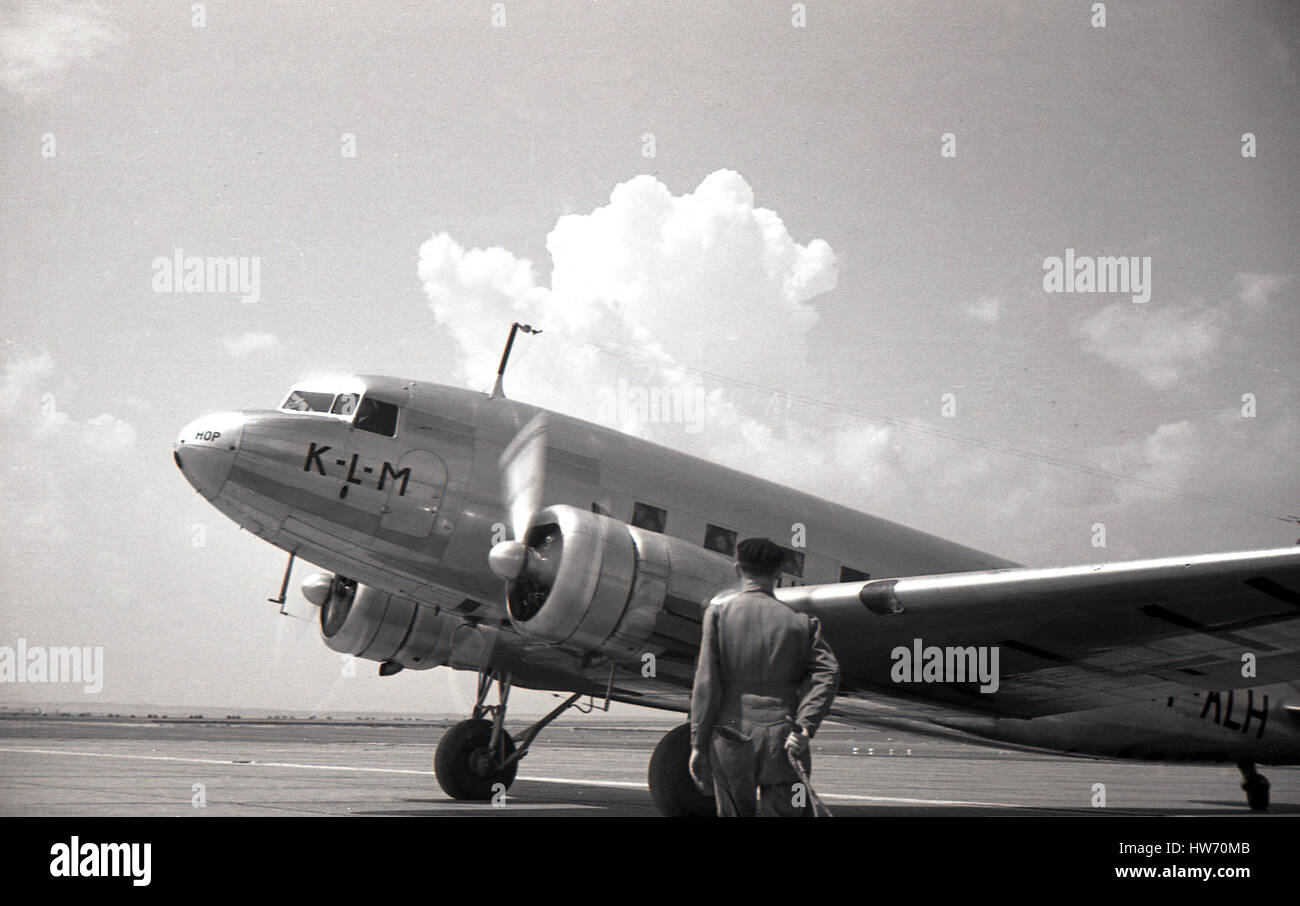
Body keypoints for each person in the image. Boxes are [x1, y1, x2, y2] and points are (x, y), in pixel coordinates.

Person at [689, 537, 841, 816]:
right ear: (778, 573)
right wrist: (805, 726)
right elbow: (828, 673)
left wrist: (698, 744)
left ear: (737, 569)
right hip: (785, 736)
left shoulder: (719, 615)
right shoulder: (802, 623)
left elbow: (706, 683)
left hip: (731, 733)